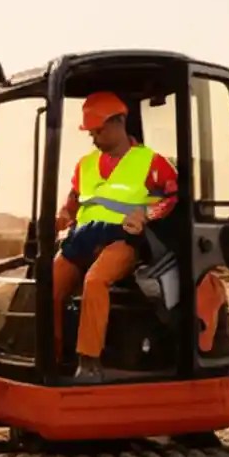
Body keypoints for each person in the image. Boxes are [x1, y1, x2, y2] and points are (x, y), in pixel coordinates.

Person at [53, 91, 179, 380]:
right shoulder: (85, 164)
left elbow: (171, 198)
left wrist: (148, 215)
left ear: (119, 121)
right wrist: (63, 215)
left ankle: (89, 362)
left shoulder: (152, 162)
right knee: (52, 282)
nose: (94, 138)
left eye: (98, 131)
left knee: (95, 281)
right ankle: (54, 354)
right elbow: (73, 198)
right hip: (83, 237)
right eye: (91, 133)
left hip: (123, 240)